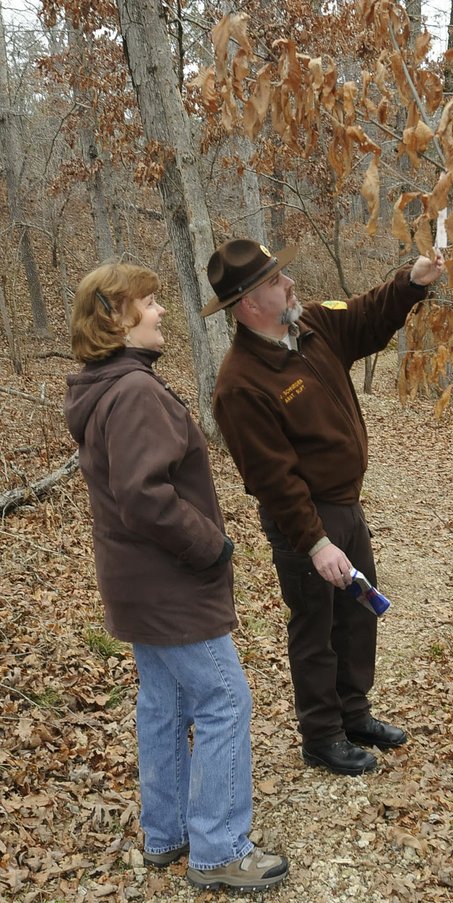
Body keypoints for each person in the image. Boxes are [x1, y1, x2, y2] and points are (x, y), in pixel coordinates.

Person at [64, 262, 288, 893]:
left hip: (136, 585)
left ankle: (167, 837)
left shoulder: (106, 386)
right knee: (225, 700)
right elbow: (144, 498)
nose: (161, 311)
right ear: (116, 316)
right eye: (150, 302)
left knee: (162, 705)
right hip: (168, 586)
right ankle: (219, 851)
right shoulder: (133, 392)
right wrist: (212, 547)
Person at [201, 238, 444, 777]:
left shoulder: (310, 325)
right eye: (274, 281)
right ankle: (322, 734)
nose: (289, 284)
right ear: (247, 304)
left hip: (347, 507)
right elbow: (273, 480)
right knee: (316, 626)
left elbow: (363, 316)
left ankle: (354, 715)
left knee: (358, 616)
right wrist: (315, 542)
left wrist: (413, 281)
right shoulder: (239, 384)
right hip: (306, 520)